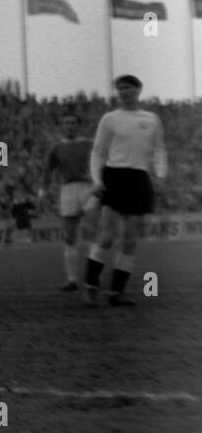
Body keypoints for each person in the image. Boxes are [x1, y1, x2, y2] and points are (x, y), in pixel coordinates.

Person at [83, 75, 167, 307]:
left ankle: (116, 293)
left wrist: (160, 175)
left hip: (139, 178)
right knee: (108, 234)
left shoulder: (151, 119)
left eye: (127, 87)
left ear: (138, 90)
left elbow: (159, 150)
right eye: (120, 88)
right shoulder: (110, 119)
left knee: (130, 239)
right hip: (115, 175)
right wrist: (97, 180)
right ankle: (91, 284)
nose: (123, 92)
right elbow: (98, 152)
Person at [46, 112, 95, 291]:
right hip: (67, 189)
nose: (69, 125)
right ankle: (72, 279)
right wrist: (43, 191)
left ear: (78, 125)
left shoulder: (89, 144)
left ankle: (93, 278)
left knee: (93, 231)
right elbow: (48, 171)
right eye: (65, 122)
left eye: (73, 122)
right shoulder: (56, 148)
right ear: (61, 126)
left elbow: (101, 163)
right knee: (69, 235)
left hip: (88, 188)